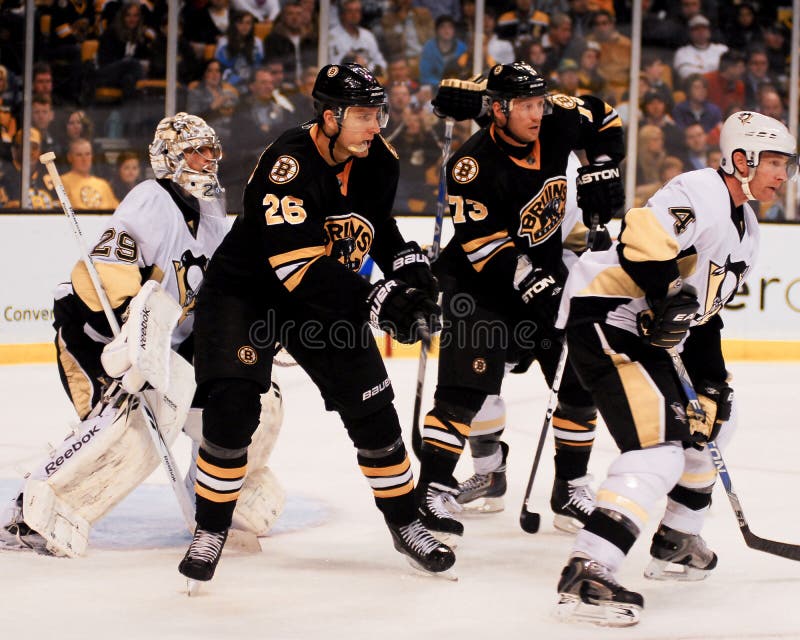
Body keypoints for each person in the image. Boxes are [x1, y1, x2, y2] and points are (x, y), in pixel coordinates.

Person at [177, 63, 452, 584]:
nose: (377, 125)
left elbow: (377, 226)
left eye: (379, 113)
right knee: (233, 407)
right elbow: (295, 267)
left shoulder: (378, 159)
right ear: (329, 116)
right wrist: (378, 298)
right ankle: (210, 529)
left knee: (373, 408)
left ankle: (405, 522)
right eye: (364, 115)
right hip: (250, 293)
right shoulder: (289, 163)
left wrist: (408, 267)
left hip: (323, 294)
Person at [553, 111, 797, 626]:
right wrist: (668, 295)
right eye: (773, 162)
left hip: (650, 334)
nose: (782, 174)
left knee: (714, 420)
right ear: (740, 160)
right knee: (658, 449)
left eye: (786, 165)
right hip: (608, 319)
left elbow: (703, 315)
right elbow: (641, 238)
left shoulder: (748, 228)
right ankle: (590, 566)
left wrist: (710, 381)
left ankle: (675, 538)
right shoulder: (701, 190)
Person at [0, 113, 285, 556]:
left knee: (258, 398)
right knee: (131, 421)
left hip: (169, 340)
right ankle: (33, 510)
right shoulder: (150, 200)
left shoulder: (210, 207)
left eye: (213, 150)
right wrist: (129, 348)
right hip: (97, 333)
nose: (210, 160)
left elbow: (218, 284)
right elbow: (105, 281)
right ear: (170, 158)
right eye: (197, 150)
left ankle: (217, 493)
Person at [413, 62, 625, 544]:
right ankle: (433, 487)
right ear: (499, 108)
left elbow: (606, 117)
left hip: (544, 270)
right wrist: (540, 289)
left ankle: (570, 489)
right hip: (479, 285)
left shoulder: (558, 119)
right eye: (526, 105)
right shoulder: (471, 165)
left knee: (577, 378)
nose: (537, 113)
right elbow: (489, 250)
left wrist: (600, 165)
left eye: (539, 102)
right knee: (466, 387)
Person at [0, 128, 57, 209]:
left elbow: (59, 205)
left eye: (34, 147)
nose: (31, 152)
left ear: (40, 151)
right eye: (26, 147)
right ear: (15, 150)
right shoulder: (3, 177)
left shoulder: (48, 175)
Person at [60, 138, 119, 210]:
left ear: (92, 156)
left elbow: (117, 211)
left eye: (88, 154)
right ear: (70, 157)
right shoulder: (61, 182)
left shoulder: (103, 184)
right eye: (79, 155)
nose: (84, 159)